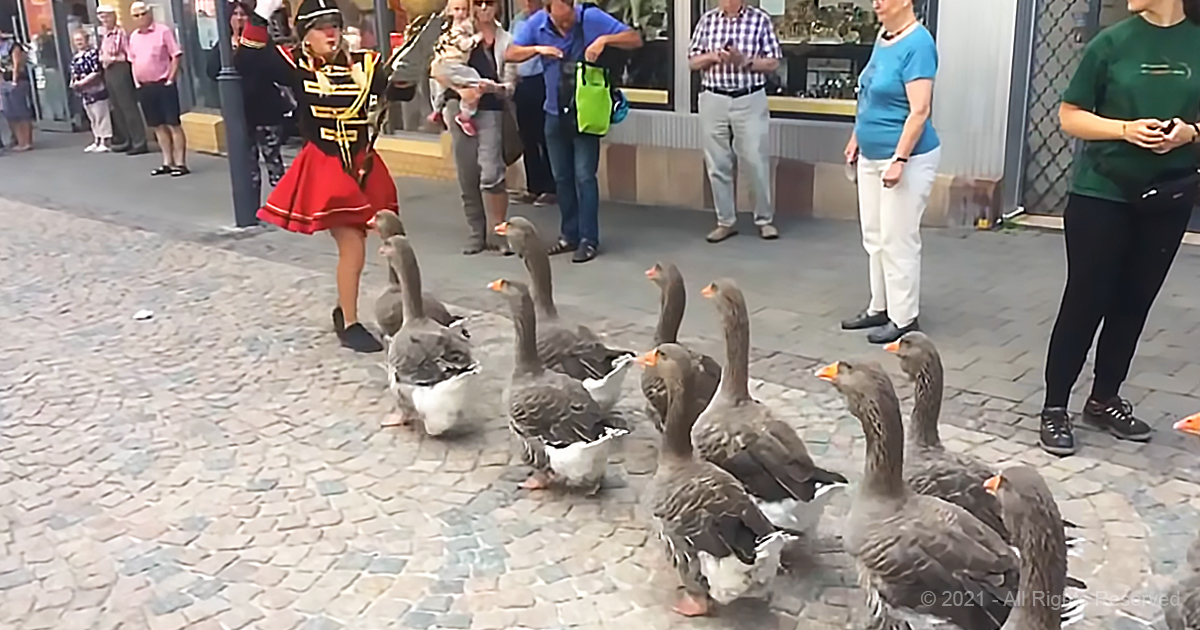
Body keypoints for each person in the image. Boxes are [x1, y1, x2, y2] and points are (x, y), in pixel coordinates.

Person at [1036, 0, 1200, 457]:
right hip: (1102, 193)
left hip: (1167, 196)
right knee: (1085, 300)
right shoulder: (1111, 43)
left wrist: (1190, 133)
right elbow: (1070, 115)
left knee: (1134, 302)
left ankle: (1104, 399)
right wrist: (1125, 130)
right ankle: (1054, 407)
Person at [236, 0, 416, 353]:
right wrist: (261, 15)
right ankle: (349, 322)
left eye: (334, 25)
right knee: (352, 245)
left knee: (385, 235)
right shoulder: (295, 65)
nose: (330, 33)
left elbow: (398, 90)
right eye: (320, 27)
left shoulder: (363, 63)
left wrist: (409, 71)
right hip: (326, 164)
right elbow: (247, 61)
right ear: (305, 35)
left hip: (363, 162)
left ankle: (362, 308)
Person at [505, 0, 642, 263]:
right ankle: (569, 235)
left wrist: (603, 40)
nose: (565, 25)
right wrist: (537, 49)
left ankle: (589, 239)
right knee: (562, 178)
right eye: (560, 21)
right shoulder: (537, 23)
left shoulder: (590, 17)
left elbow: (634, 39)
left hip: (585, 113)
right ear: (548, 11)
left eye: (569, 19)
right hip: (554, 112)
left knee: (584, 177)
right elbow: (510, 53)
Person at [839, 0, 940, 346]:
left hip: (906, 157)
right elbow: (869, 94)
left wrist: (900, 158)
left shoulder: (919, 44)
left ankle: (904, 317)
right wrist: (856, 137)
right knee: (875, 236)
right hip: (871, 154)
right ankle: (880, 307)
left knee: (898, 238)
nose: (876, 3)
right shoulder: (884, 37)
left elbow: (920, 110)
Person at [687, 0, 782, 243]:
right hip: (714, 98)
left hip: (749, 98)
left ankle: (764, 220)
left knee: (756, 160)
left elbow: (773, 61)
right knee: (718, 162)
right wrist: (713, 56)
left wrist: (745, 61)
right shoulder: (707, 21)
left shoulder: (759, 19)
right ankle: (725, 222)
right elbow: (692, 61)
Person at [433, 0, 517, 255]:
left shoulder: (505, 39)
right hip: (458, 107)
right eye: (478, 3)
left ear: (497, 7)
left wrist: (489, 88)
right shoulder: (457, 33)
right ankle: (476, 233)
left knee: (492, 173)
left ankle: (498, 232)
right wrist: (462, 92)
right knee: (467, 173)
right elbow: (437, 70)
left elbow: (510, 86)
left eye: (489, 3)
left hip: (491, 107)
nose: (483, 8)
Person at [207, 0, 288, 198]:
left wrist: (251, 51)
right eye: (235, 15)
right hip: (241, 114)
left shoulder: (261, 42)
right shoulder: (224, 45)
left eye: (243, 15)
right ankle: (252, 205)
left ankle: (283, 203)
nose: (239, 19)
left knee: (274, 162)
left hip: (266, 110)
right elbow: (211, 70)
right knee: (248, 166)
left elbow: (278, 71)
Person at [127, 1, 188, 176]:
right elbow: (133, 60)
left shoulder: (163, 31)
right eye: (136, 15)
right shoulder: (134, 36)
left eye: (143, 13)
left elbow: (175, 55)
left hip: (163, 84)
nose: (140, 18)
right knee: (157, 125)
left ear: (149, 13)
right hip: (145, 86)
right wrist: (137, 83)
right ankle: (167, 162)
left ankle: (180, 163)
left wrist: (171, 79)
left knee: (173, 124)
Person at [509, 0, 555, 207]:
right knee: (527, 137)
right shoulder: (517, 21)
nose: (527, 3)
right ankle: (533, 187)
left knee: (543, 135)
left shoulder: (546, 20)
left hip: (541, 80)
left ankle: (551, 188)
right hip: (521, 82)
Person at [97, 5, 150, 155]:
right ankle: (126, 140)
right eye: (102, 17)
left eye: (107, 16)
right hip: (108, 70)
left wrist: (112, 59)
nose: (104, 20)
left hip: (120, 69)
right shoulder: (105, 35)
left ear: (114, 16)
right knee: (117, 107)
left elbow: (129, 54)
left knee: (128, 106)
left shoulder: (120, 33)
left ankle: (139, 142)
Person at [428, 0, 485, 136]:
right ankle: (465, 115)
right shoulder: (459, 28)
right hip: (453, 64)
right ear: (450, 10)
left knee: (439, 88)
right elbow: (465, 45)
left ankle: (436, 110)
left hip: (439, 64)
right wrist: (478, 37)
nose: (461, 13)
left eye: (464, 9)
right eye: (457, 9)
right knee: (477, 83)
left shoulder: (444, 28)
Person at [70, 29, 113, 153]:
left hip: (96, 89)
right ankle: (97, 139)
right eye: (76, 40)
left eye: (81, 39)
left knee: (101, 115)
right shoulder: (76, 57)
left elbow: (96, 71)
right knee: (92, 117)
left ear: (87, 40)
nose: (79, 42)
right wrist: (74, 82)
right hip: (85, 92)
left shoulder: (93, 53)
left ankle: (105, 141)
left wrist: (83, 82)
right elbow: (74, 72)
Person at [0, 32, 34, 151]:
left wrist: (14, 80)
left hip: (18, 81)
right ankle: (19, 141)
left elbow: (17, 63)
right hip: (4, 82)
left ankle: (26, 142)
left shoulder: (12, 45)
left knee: (21, 112)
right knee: (10, 114)